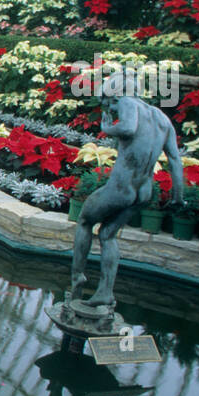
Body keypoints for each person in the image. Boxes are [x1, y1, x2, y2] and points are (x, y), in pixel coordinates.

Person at [70, 67, 184, 307]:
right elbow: (175, 159)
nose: (111, 108)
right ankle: (104, 292)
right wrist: (178, 195)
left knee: (84, 220)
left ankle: (77, 275)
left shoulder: (127, 102)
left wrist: (106, 128)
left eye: (110, 102)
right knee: (107, 234)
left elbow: (128, 128)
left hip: (121, 188)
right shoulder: (162, 118)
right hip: (144, 191)